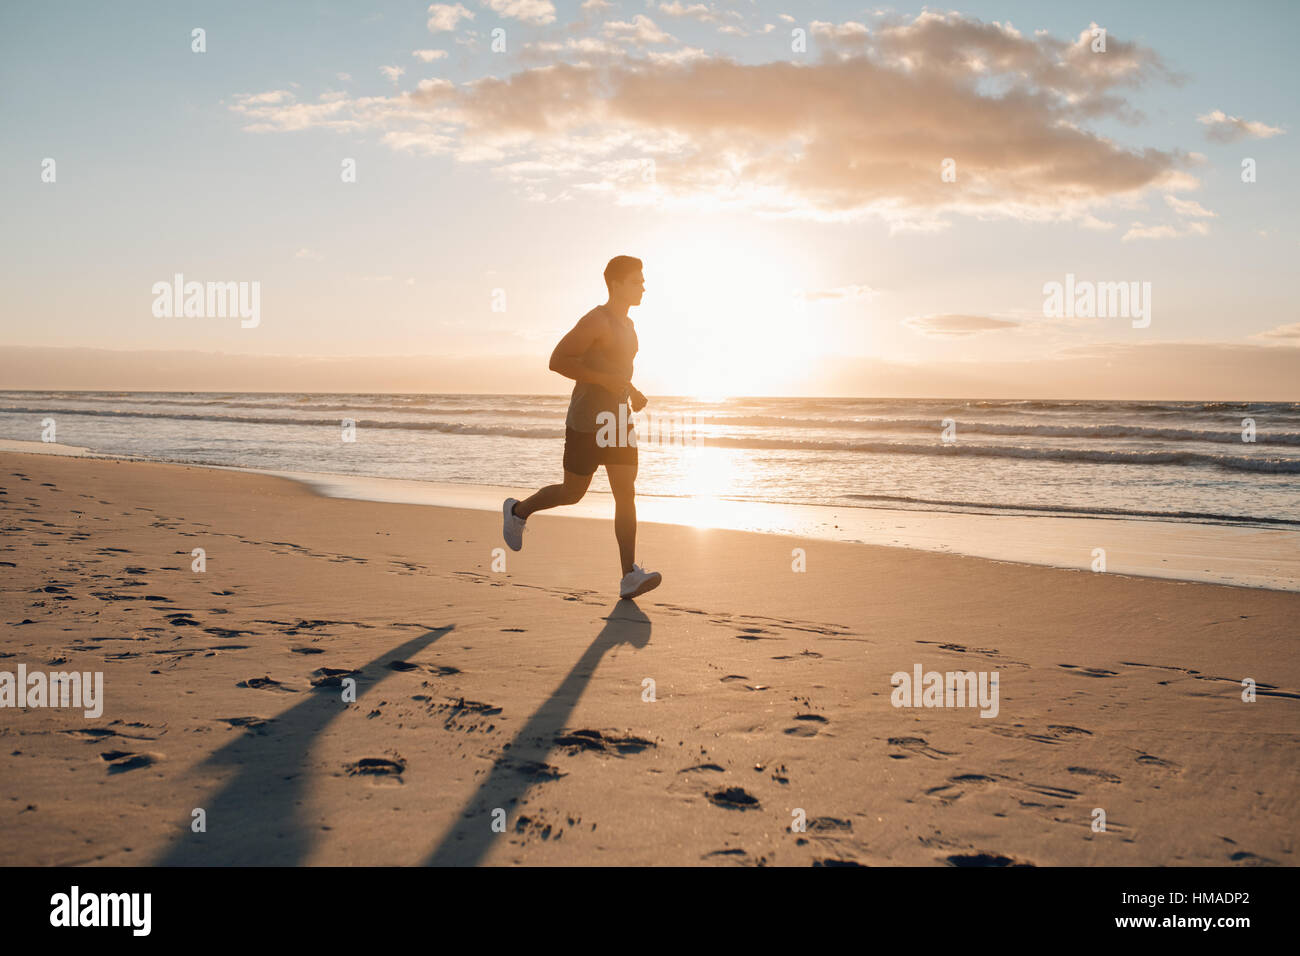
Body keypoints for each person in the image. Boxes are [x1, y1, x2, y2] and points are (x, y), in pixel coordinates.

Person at [502, 255, 662, 600]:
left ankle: (628, 576)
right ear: (617, 284)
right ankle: (518, 511)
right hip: (587, 421)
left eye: (643, 280)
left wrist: (631, 391)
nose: (644, 286)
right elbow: (557, 360)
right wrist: (604, 380)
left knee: (626, 494)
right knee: (572, 493)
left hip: (617, 419)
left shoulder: (629, 326)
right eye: (637, 280)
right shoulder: (596, 321)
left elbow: (617, 368)